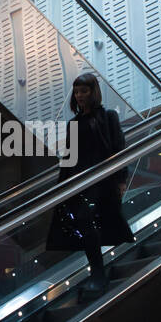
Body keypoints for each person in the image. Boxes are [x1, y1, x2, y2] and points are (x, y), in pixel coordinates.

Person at [45, 73, 135, 298]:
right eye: (76, 92)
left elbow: (118, 148)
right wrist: (63, 186)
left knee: (88, 220)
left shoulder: (108, 117)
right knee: (84, 224)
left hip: (102, 180)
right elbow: (70, 156)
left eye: (84, 91)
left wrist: (121, 179)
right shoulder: (73, 124)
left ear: (93, 92)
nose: (80, 96)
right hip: (80, 181)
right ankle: (97, 273)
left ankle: (98, 274)